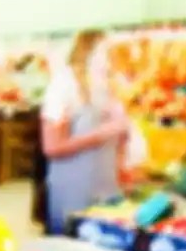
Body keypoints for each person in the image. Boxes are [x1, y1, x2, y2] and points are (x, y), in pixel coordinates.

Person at [40, 29, 128, 234]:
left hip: (106, 190)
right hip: (74, 193)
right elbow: (51, 146)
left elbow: (118, 138)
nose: (111, 61)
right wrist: (101, 134)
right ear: (89, 53)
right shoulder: (63, 86)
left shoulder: (106, 88)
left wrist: (123, 139)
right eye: (106, 53)